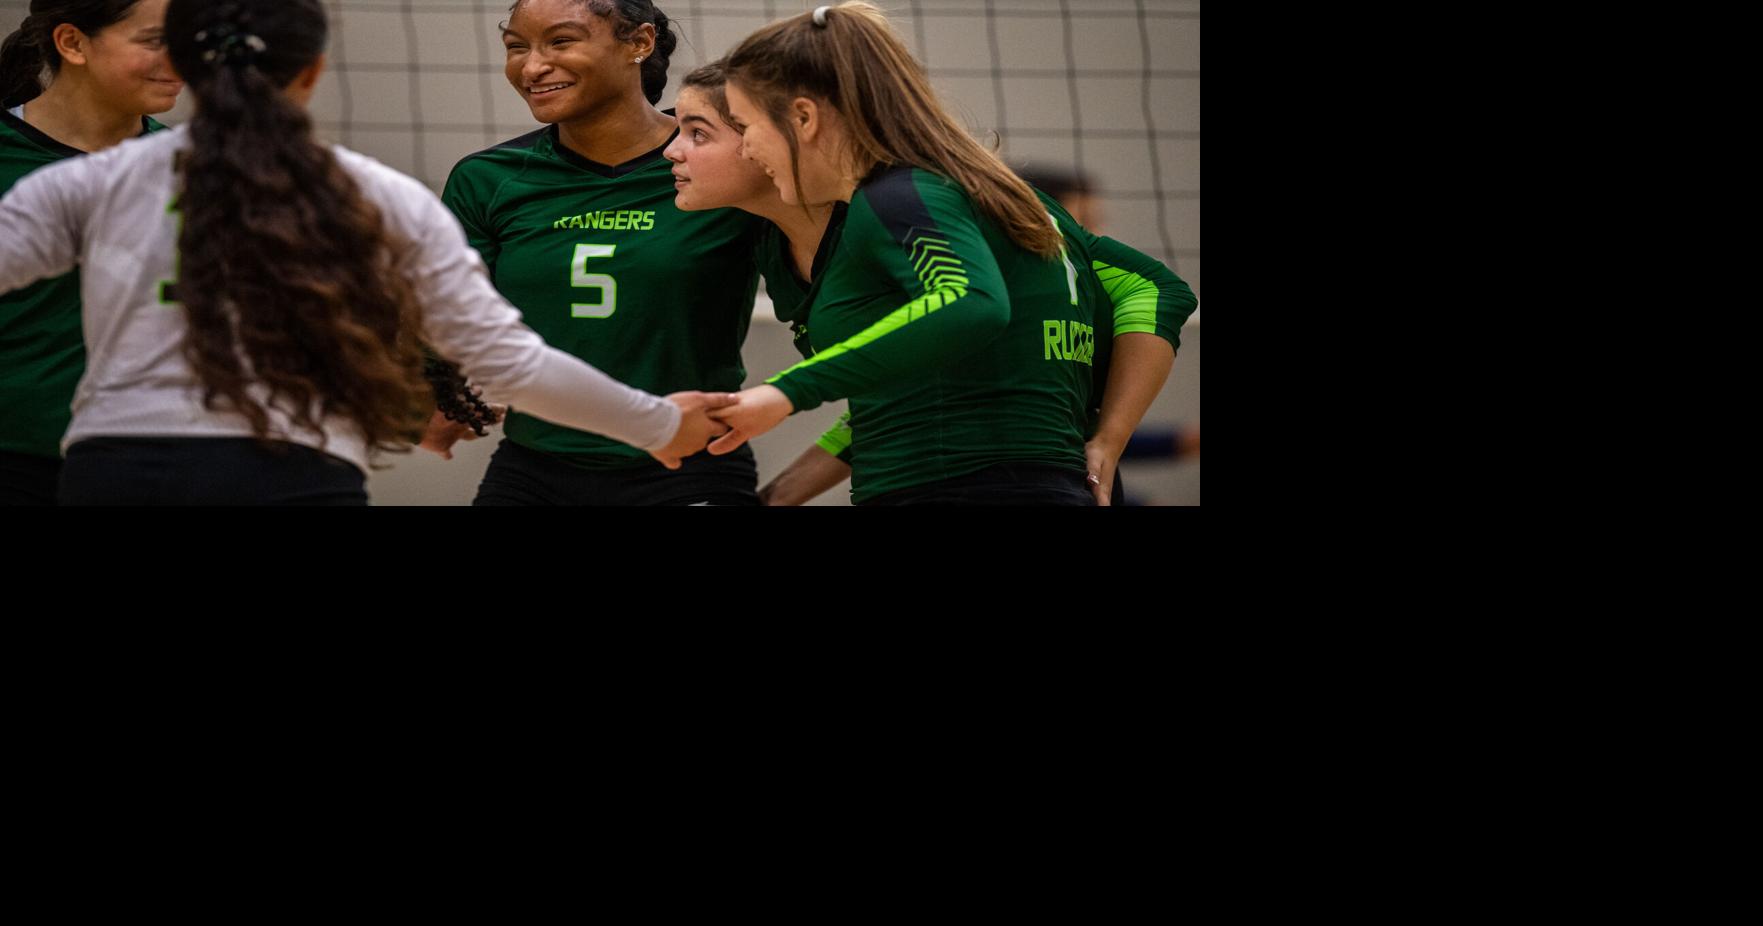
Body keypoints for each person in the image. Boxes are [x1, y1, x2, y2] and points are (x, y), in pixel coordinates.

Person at [0, 0, 731, 505]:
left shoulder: (86, 184)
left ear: (187, 64)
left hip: (118, 467)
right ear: (313, 70)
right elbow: (505, 360)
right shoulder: (376, 197)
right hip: (291, 471)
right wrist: (658, 423)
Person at [708, 3, 1195, 505]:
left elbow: (970, 301)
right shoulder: (999, 195)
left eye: (746, 125)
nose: (747, 149)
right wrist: (1110, 438)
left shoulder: (897, 197)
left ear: (804, 117)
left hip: (961, 488)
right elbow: (1157, 287)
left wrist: (785, 392)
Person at [442, 0, 766, 506]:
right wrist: (438, 392)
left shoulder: (722, 168)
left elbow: (822, 310)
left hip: (688, 466)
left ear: (639, 42)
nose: (532, 67)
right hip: (534, 466)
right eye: (516, 47)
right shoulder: (487, 179)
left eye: (561, 41)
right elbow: (443, 318)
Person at [0, 0, 180, 505]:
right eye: (155, 40)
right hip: (17, 458)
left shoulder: (190, 166)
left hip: (145, 462)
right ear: (72, 43)